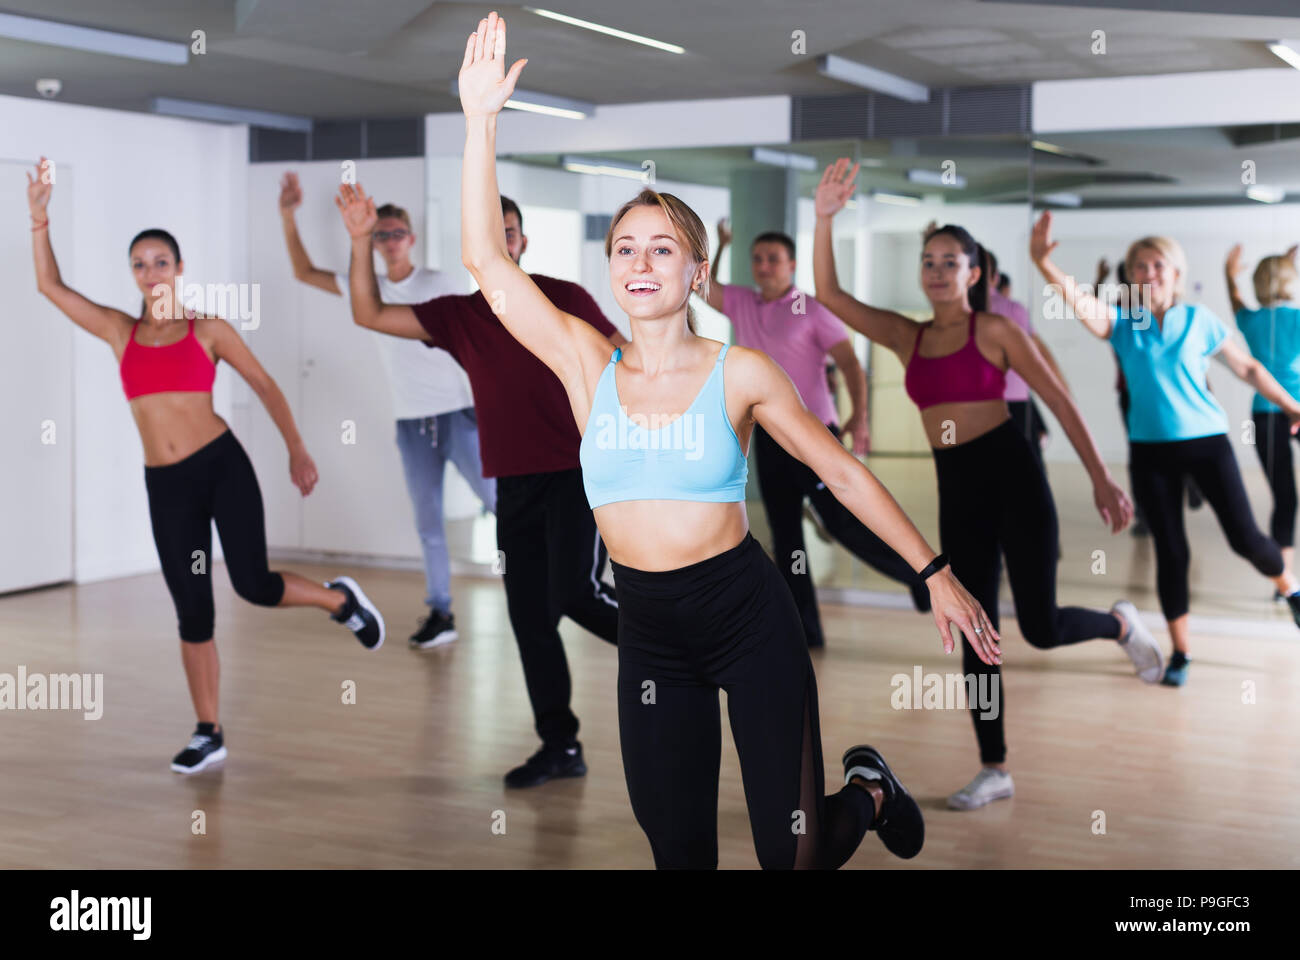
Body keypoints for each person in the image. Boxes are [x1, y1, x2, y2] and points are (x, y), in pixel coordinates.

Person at [452, 13, 1008, 868]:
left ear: (696, 272)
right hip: (648, 629)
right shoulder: (582, 361)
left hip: (746, 614)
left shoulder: (741, 373)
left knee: (796, 852)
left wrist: (934, 574)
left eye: (662, 248)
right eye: (625, 248)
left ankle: (866, 793)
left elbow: (842, 472)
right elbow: (488, 263)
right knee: (679, 852)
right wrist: (480, 121)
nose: (640, 262)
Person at [818, 159, 1162, 812]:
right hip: (959, 490)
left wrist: (1099, 477)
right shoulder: (906, 336)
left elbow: (1058, 400)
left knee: (1038, 626)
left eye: (952, 261)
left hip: (1014, 476)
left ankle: (1119, 624)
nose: (938, 271)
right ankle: (994, 766)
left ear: (975, 274)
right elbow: (832, 296)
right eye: (930, 261)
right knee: (976, 630)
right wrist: (824, 218)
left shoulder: (997, 330)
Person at [26, 157, 383, 774]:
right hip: (166, 485)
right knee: (192, 610)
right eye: (138, 263)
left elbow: (267, 386)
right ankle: (208, 731)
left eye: (160, 261)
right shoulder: (119, 331)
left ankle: (339, 603)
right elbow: (50, 290)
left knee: (253, 585)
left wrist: (297, 449)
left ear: (179, 267)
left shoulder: (207, 329)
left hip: (222, 468)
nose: (149, 271)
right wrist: (38, 221)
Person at [332, 182, 626, 788]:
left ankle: (688, 649)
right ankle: (561, 746)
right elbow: (367, 312)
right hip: (513, 484)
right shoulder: (458, 315)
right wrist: (361, 240)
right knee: (528, 618)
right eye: (489, 232)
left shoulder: (563, 297)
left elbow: (623, 359)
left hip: (577, 473)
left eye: (509, 231)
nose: (500, 241)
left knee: (575, 593)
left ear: (521, 241)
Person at [1033, 212, 1300, 686]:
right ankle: (1181, 652)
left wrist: (1291, 406)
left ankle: (1290, 588)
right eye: (1140, 266)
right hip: (1151, 453)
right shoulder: (1122, 322)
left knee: (1245, 539)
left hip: (1208, 445)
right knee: (1171, 552)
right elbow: (1083, 306)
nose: (1149, 273)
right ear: (1130, 274)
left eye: (1158, 265)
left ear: (1176, 274)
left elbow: (1251, 370)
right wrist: (1046, 266)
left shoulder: (1198, 320)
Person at [279, 175, 494, 650]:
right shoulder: (366, 290)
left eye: (397, 232)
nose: (390, 241)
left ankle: (549, 585)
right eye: (382, 234)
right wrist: (288, 216)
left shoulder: (438, 283)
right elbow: (303, 272)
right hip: (411, 423)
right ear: (373, 243)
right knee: (428, 522)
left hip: (458, 414)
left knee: (504, 505)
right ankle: (441, 612)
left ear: (411, 239)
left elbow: (476, 336)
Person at [706, 222, 931, 649]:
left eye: (774, 259)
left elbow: (849, 363)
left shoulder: (810, 308)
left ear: (792, 265)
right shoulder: (742, 303)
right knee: (786, 535)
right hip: (770, 438)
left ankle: (915, 574)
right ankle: (806, 629)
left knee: (841, 521)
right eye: (757, 259)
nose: (765, 266)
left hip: (815, 434)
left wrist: (860, 418)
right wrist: (721, 246)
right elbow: (707, 289)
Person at [1226, 242, 1300, 593]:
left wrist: (1229, 274)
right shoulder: (1297, 317)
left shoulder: (1251, 320)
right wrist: (1287, 263)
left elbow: (1236, 299)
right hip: (1296, 408)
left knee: (1285, 497)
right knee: (1286, 497)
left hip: (1265, 413)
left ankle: (1284, 582)